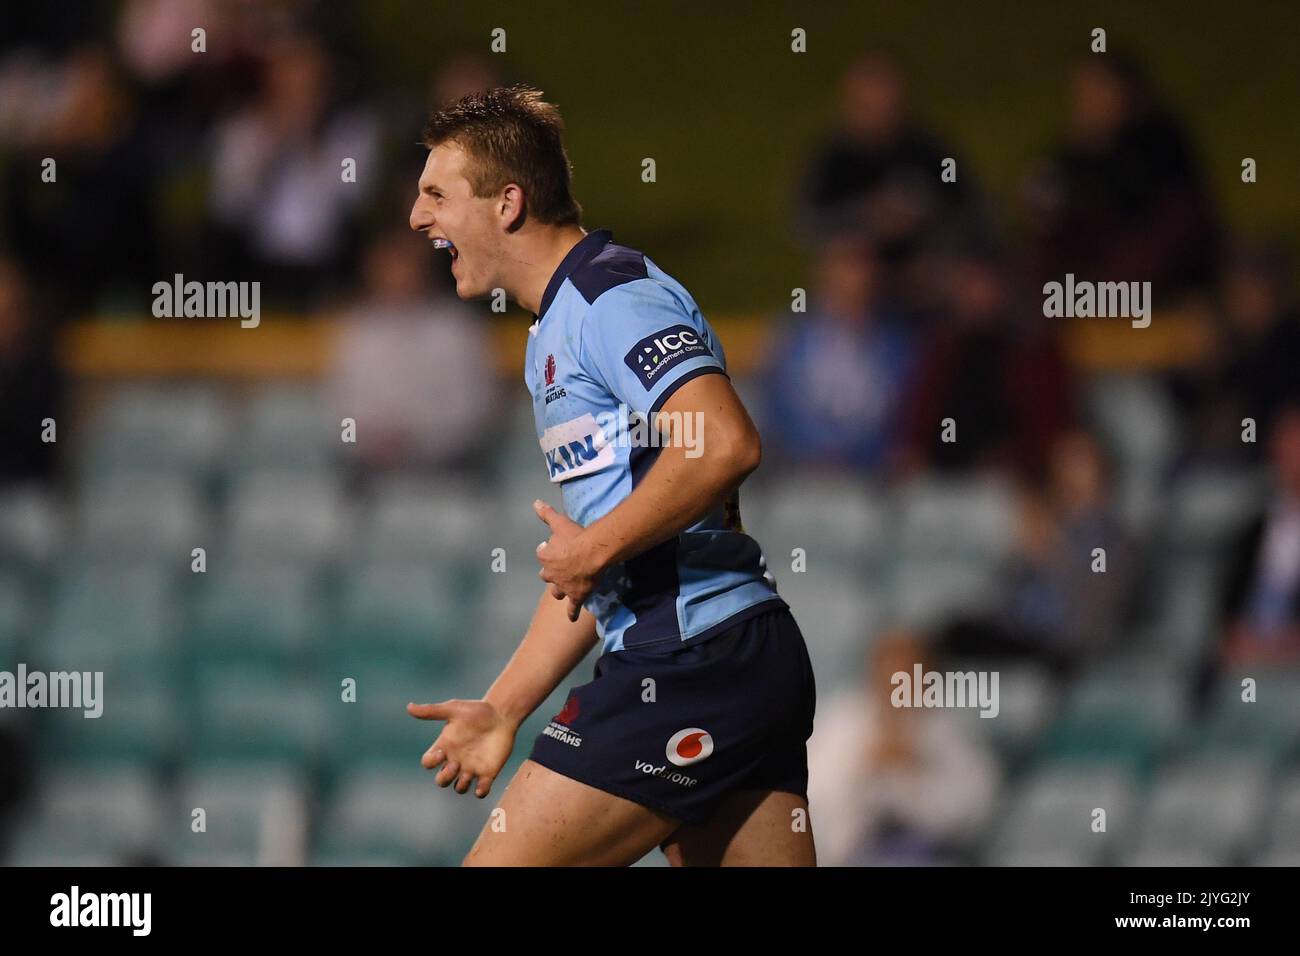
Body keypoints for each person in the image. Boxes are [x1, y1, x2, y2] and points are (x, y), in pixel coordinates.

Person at [405, 86, 817, 866]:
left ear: (507, 203)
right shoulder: (554, 327)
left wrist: (594, 551)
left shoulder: (611, 296)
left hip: (692, 658)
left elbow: (725, 442)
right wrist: (503, 707)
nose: (417, 218)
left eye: (435, 194)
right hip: (728, 660)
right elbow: (610, 555)